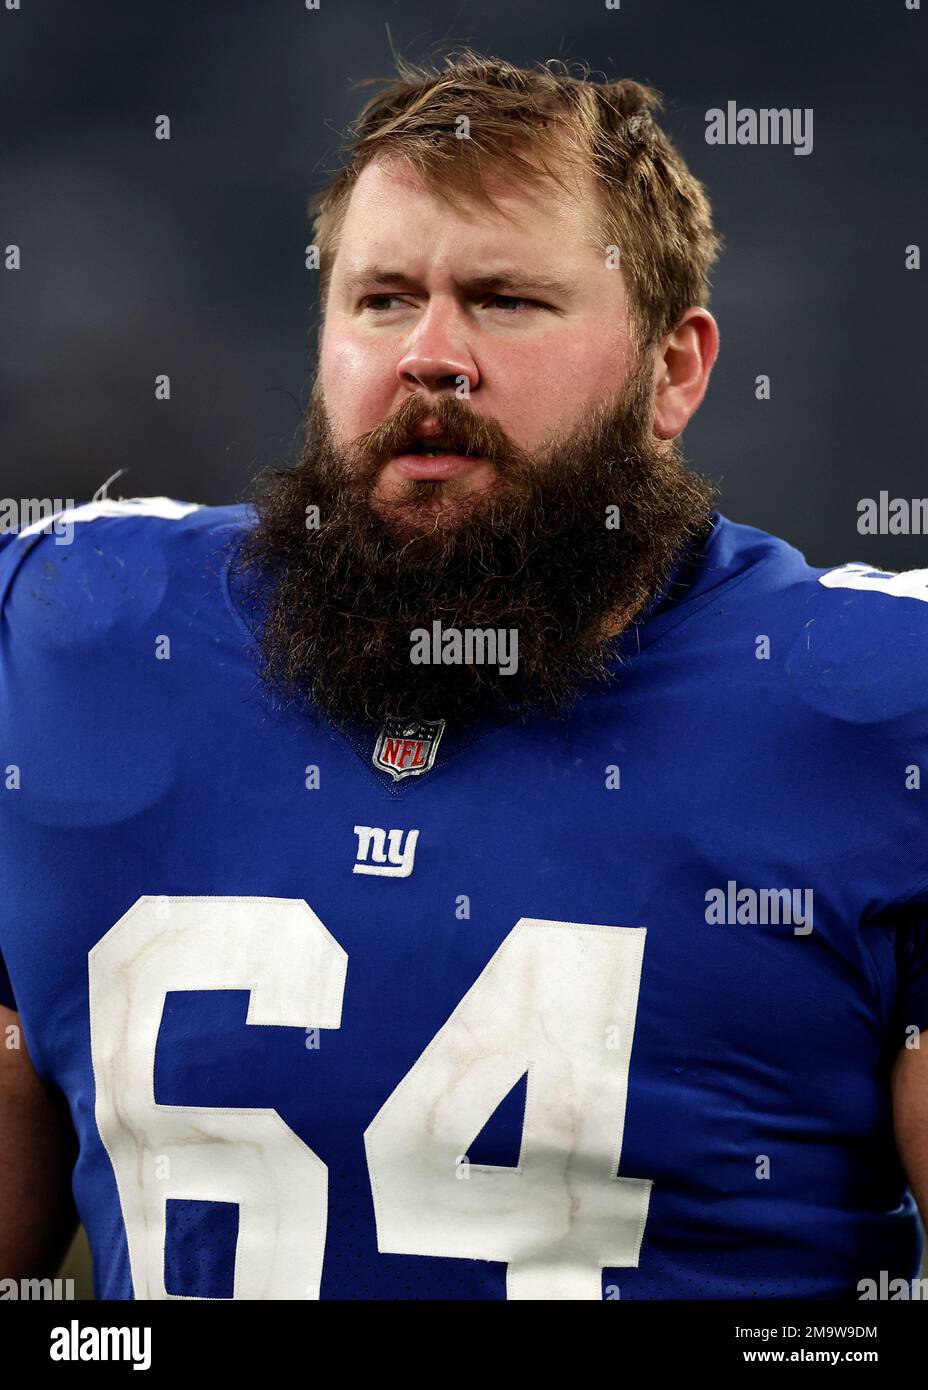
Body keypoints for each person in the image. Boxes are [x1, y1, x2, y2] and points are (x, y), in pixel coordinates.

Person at [1, 51, 926, 1302]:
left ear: (675, 371)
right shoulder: (72, 641)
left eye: (503, 299)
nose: (430, 356)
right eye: (382, 299)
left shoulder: (872, 714)